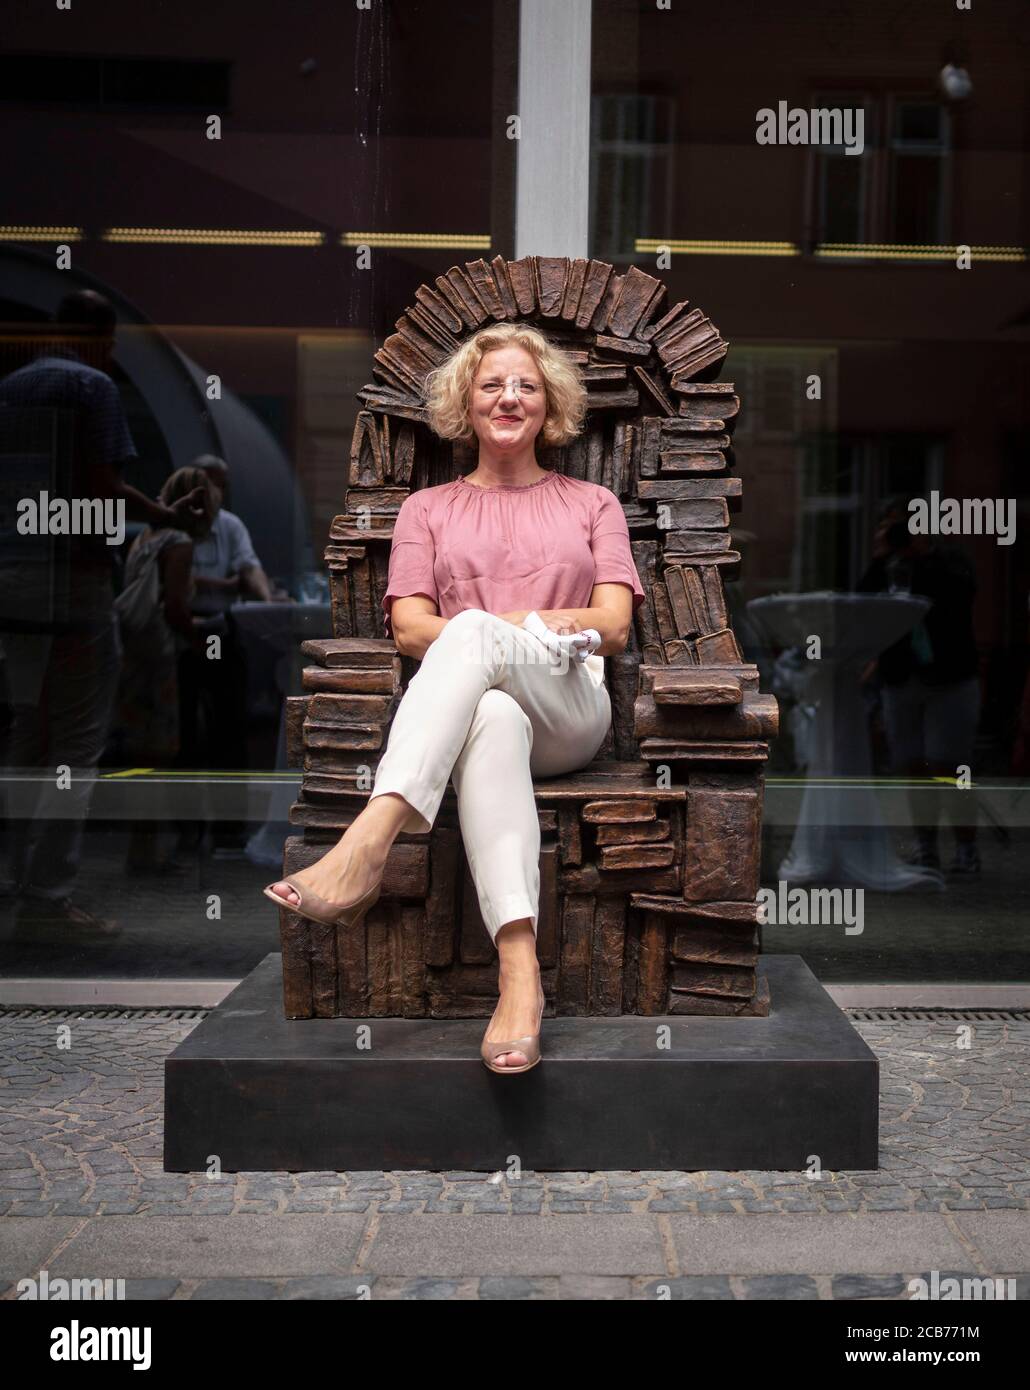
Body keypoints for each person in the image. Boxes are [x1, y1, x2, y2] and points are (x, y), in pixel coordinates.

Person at [264, 322, 645, 1073]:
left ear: (550, 405)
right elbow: (408, 627)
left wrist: (501, 628)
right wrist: (497, 632)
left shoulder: (592, 501)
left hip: (569, 705)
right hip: (481, 716)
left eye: (527, 386)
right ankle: (519, 980)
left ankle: (367, 845)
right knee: (492, 712)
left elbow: (613, 626)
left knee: (471, 634)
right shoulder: (426, 509)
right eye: (492, 385)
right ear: (465, 403)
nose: (509, 397)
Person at [0, 291, 206, 930]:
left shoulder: (10, 388)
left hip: (14, 578)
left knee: (24, 732)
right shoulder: (93, 387)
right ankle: (48, 894)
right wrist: (166, 516)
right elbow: (100, 488)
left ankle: (10, 877)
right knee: (79, 742)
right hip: (77, 581)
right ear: (99, 337)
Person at [857, 496, 981, 874]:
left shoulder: (948, 560)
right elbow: (860, 605)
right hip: (901, 677)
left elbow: (963, 595)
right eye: (891, 526)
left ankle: (966, 848)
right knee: (912, 766)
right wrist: (880, 556)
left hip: (951, 677)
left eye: (905, 525)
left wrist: (923, 552)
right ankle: (926, 846)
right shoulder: (887, 564)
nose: (900, 533)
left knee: (950, 765)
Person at [112, 467, 217, 873]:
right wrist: (199, 639)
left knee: (139, 752)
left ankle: (140, 847)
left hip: (132, 653)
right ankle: (144, 851)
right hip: (157, 657)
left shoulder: (144, 537)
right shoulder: (179, 543)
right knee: (158, 752)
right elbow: (174, 608)